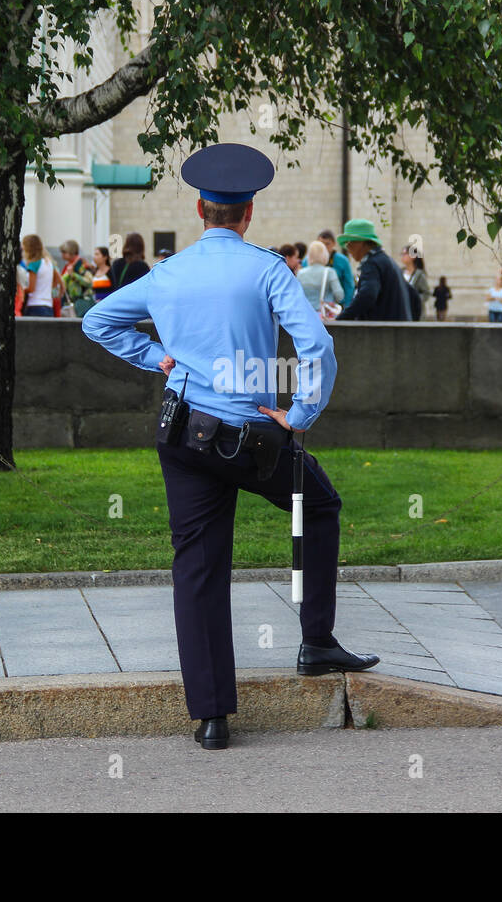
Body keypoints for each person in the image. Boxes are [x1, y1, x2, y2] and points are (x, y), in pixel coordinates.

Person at [81, 142, 378, 751]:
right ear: (247, 214)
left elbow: (96, 321)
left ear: (199, 209)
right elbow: (316, 347)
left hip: (184, 432)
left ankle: (212, 717)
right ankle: (315, 640)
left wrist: (154, 358)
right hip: (254, 438)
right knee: (317, 506)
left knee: (198, 567)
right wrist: (300, 413)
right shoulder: (267, 269)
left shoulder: (167, 274)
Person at [335, 219, 412, 321]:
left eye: (350, 242)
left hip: (382, 333)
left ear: (363, 243)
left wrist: (341, 319)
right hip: (398, 331)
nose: (347, 247)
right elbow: (414, 297)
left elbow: (367, 296)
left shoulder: (372, 264)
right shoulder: (388, 261)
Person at [20, 234, 66, 317]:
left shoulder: (33, 264)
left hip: (35, 305)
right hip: (48, 305)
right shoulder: (48, 263)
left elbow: (31, 288)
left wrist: (20, 289)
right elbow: (58, 280)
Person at [297, 240, 344, 316]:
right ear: (325, 254)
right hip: (325, 315)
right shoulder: (329, 272)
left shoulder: (300, 273)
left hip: (306, 315)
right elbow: (339, 296)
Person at [317, 229, 355, 307]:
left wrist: (347, 307)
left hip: (338, 306)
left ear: (334, 244)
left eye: (327, 244)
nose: (324, 247)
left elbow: (349, 285)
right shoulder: (307, 260)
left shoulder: (343, 261)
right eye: (321, 244)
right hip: (316, 306)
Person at [401, 245, 430, 321]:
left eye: (405, 254)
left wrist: (415, 299)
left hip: (415, 313)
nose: (403, 256)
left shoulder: (419, 275)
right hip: (402, 312)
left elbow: (426, 293)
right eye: (402, 254)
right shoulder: (399, 272)